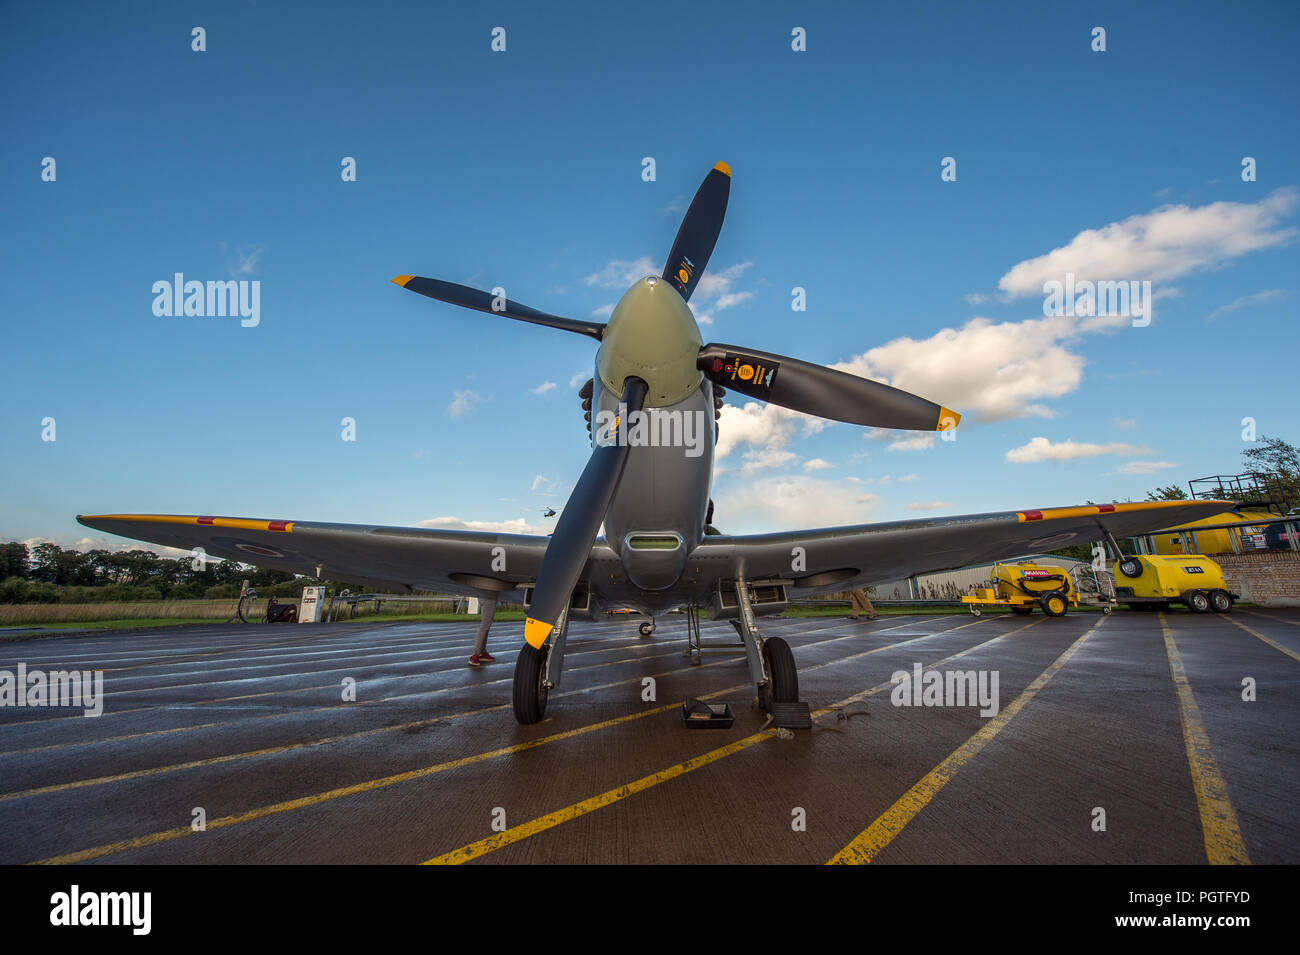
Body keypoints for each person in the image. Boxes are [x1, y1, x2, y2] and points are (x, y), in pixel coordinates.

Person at [468, 596, 498, 667]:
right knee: (485, 624)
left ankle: (482, 652)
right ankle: (476, 654)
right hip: (489, 596)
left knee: (486, 624)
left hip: (485, 596)